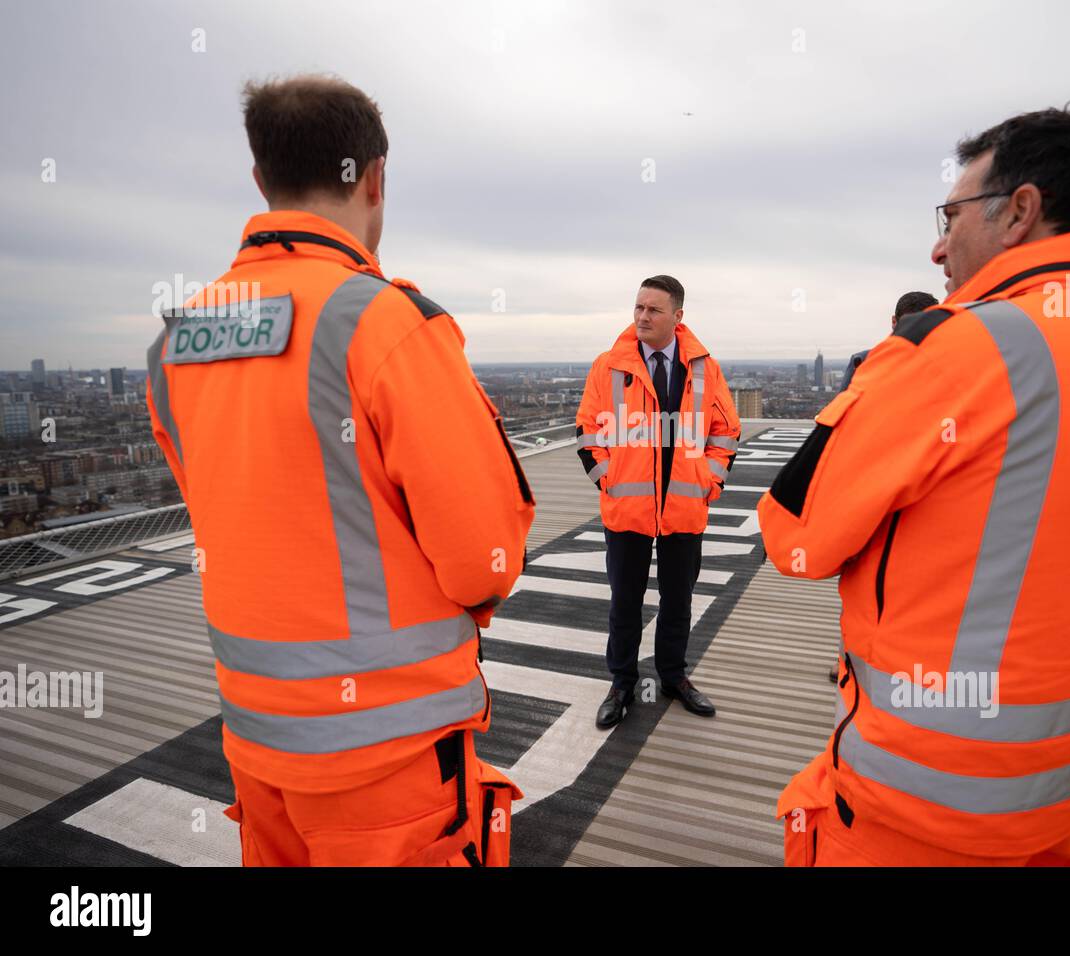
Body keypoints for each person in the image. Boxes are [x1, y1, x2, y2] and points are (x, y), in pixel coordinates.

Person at [759, 106, 1070, 866]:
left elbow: (796, 537)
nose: (939, 246)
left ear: (1021, 212)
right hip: (1060, 786)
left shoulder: (959, 347)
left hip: (917, 800)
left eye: (951, 214)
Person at [145, 75, 534, 866]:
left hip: (256, 741)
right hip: (390, 756)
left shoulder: (176, 344)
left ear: (261, 180)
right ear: (377, 177)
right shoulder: (386, 323)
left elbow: (229, 512)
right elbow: (482, 560)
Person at [576, 275, 741, 728]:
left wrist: (709, 480)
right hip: (627, 508)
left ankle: (673, 676)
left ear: (677, 317)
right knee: (624, 602)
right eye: (638, 308)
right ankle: (622, 683)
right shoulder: (609, 365)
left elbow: (726, 431)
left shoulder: (705, 368)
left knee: (678, 601)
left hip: (684, 506)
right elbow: (588, 430)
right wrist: (609, 480)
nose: (642, 317)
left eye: (653, 310)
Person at [828, 290, 938, 683]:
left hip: (877, 489)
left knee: (869, 583)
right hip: (907, 492)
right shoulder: (947, 366)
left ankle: (859, 662)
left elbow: (839, 425)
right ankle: (869, 661)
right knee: (881, 584)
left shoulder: (865, 363)